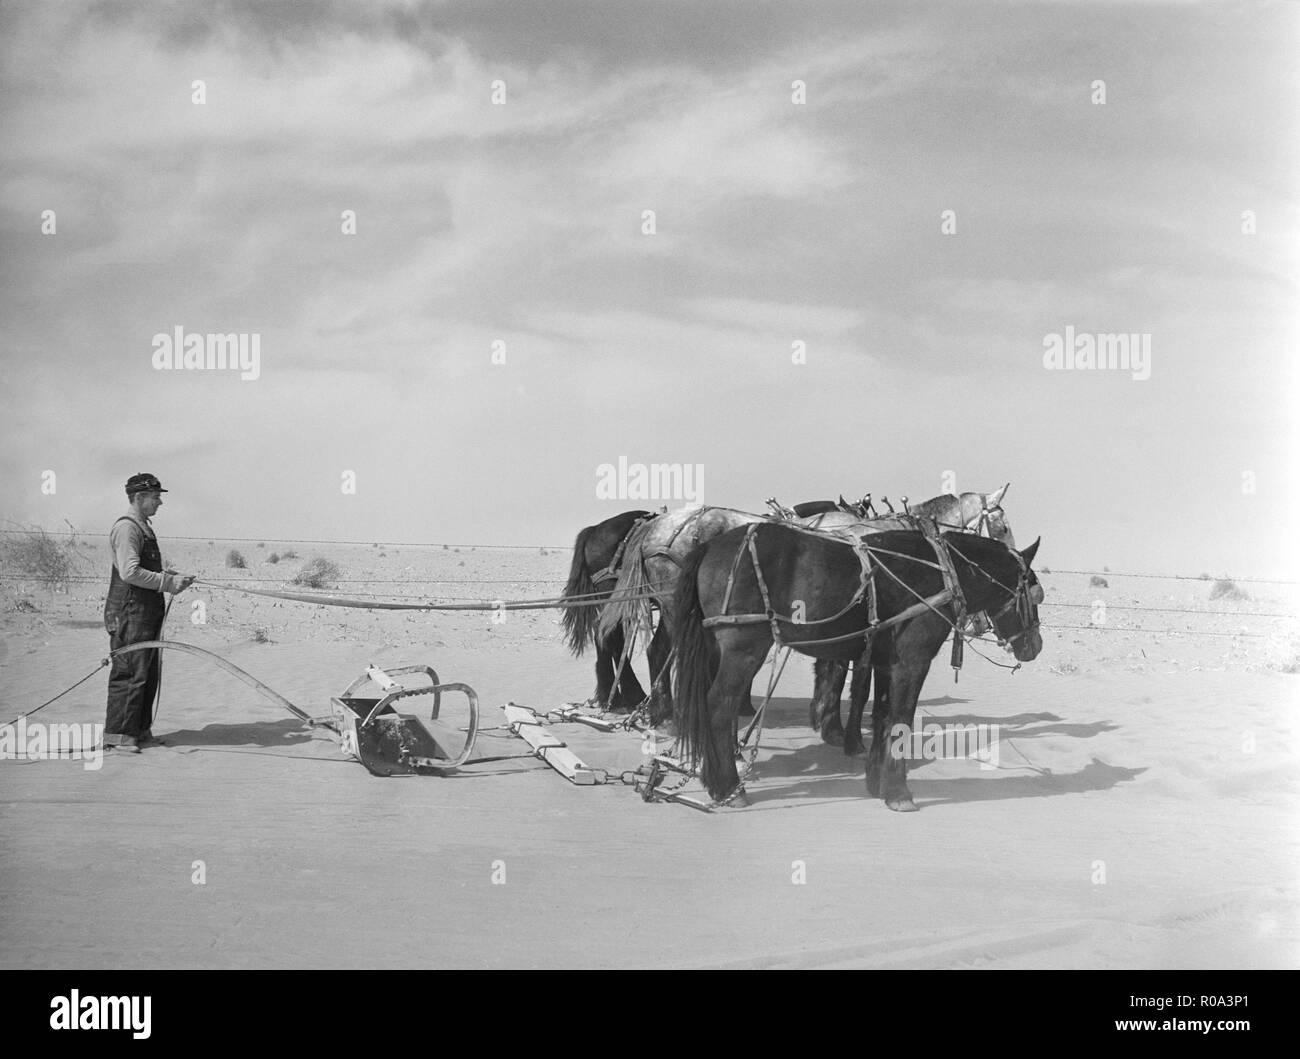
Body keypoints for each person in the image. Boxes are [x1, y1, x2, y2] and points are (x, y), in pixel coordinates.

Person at [102, 473, 195, 753]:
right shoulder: (127, 528)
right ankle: (119, 736)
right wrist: (167, 583)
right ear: (139, 498)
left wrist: (169, 576)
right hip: (130, 613)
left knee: (146, 673)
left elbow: (142, 570)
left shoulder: (143, 527)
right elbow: (129, 572)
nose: (160, 502)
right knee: (130, 673)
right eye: (156, 497)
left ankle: (140, 732)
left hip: (145, 612)